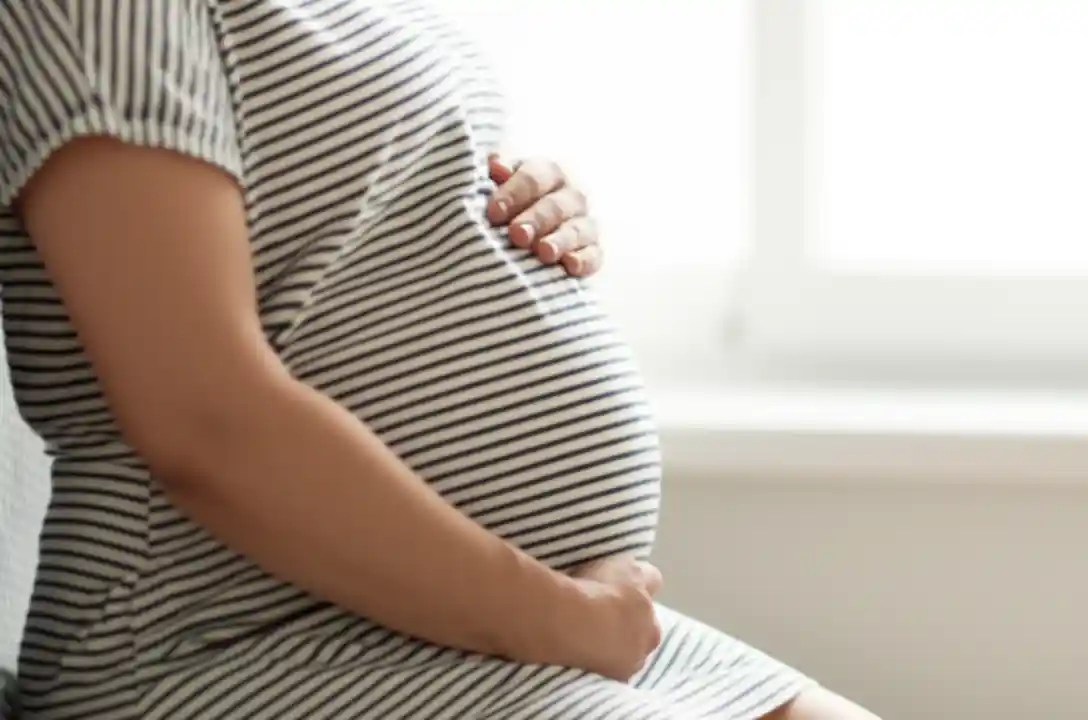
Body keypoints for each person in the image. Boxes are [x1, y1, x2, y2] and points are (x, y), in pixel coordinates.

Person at [0, 2, 879, 718]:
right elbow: (203, 418)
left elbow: (327, 210)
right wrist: (555, 621)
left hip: (448, 623)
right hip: (226, 645)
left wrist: (508, 206)